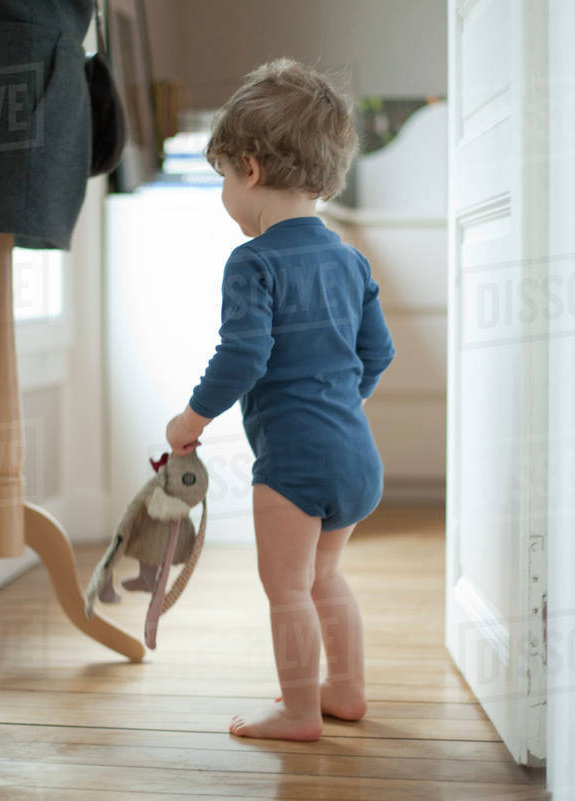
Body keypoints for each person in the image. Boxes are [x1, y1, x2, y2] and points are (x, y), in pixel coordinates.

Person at [164, 58, 396, 741]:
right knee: (326, 578)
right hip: (356, 455)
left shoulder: (254, 262)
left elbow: (243, 355)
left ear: (250, 168)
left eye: (222, 177)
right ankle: (344, 689)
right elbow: (378, 353)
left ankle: (299, 712)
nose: (225, 193)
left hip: (294, 464)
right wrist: (341, 405)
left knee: (287, 588)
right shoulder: (349, 259)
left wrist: (190, 419)